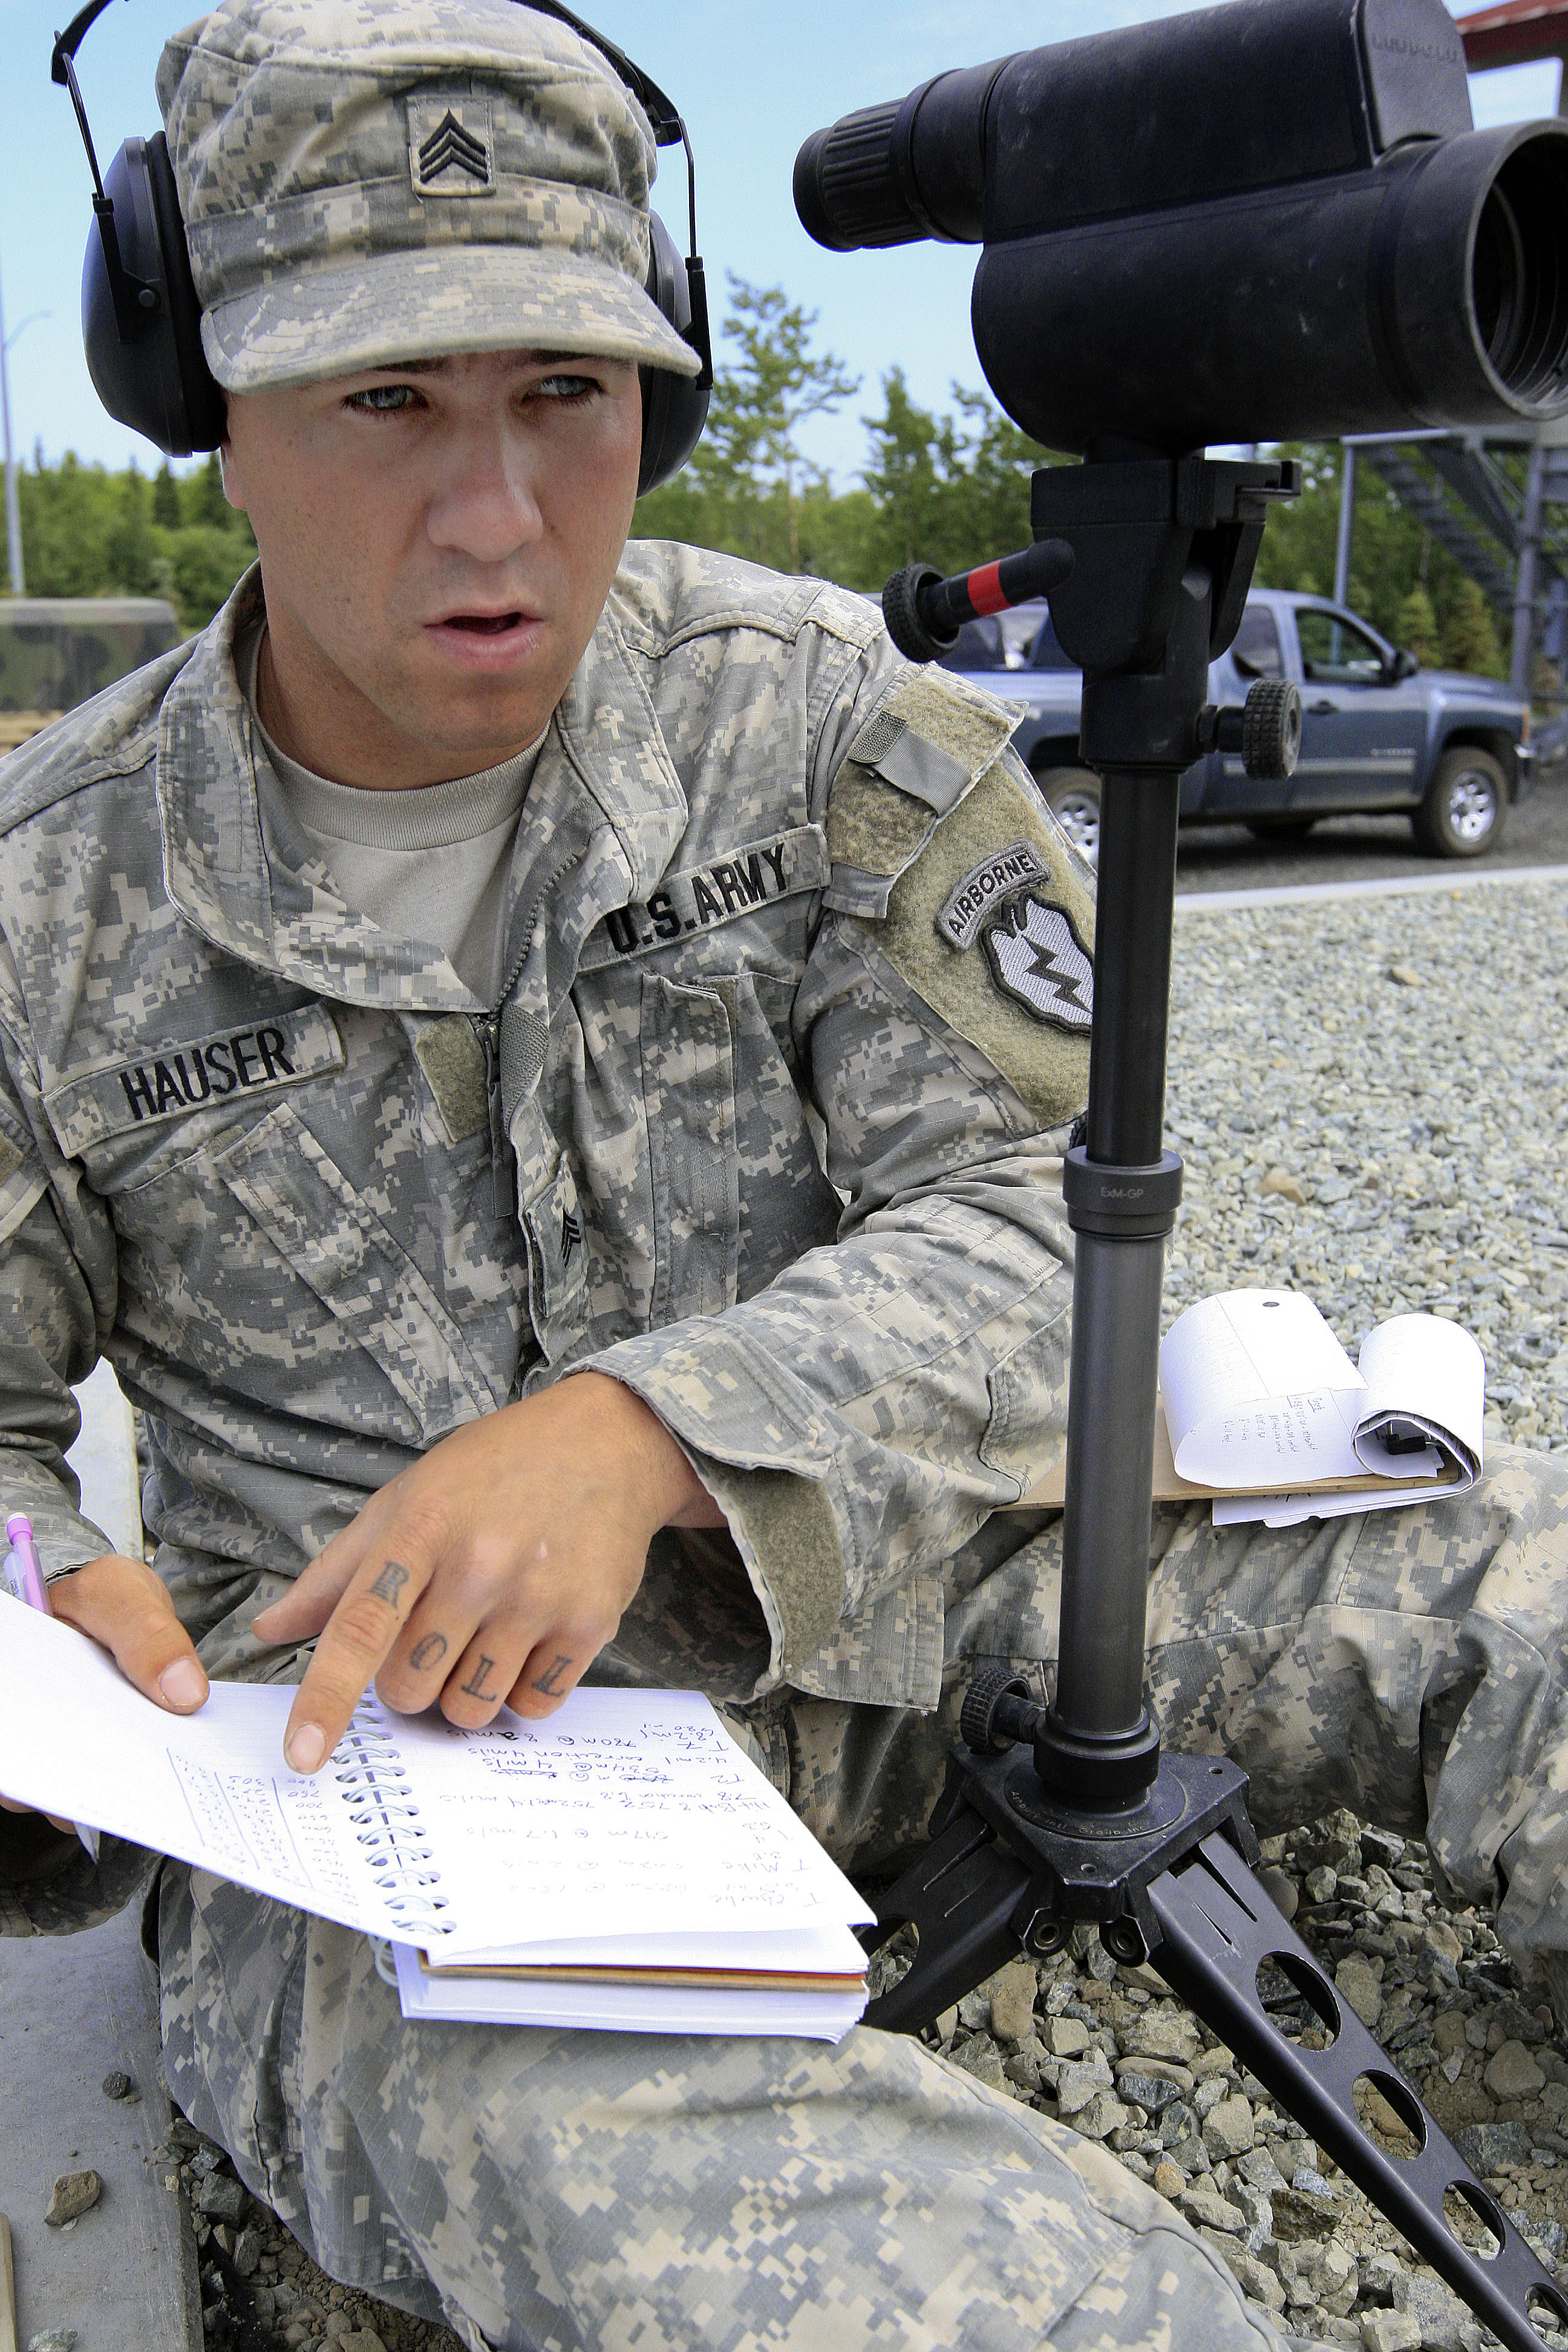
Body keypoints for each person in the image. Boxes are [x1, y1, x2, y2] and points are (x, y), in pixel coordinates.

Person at [2, 5, 1567, 2348]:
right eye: (387, 398)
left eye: (567, 392)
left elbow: (1052, 1223)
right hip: (386, 1800)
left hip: (935, 1599)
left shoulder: (818, 717)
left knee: (1514, 1579)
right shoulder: (44, 899)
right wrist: (34, 1589)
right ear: (201, 399)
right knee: (872, 2289)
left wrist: (646, 1437)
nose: (496, 508)